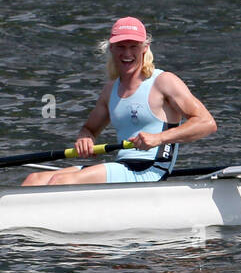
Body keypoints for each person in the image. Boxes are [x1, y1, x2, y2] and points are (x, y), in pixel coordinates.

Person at [22, 17, 217, 186]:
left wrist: (159, 138)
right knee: (34, 179)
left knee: (62, 182)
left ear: (145, 48)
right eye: (121, 47)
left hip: (151, 170)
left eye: (134, 46)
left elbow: (206, 123)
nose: (127, 53)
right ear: (111, 48)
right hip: (124, 166)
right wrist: (85, 139)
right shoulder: (110, 90)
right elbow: (89, 129)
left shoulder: (164, 82)